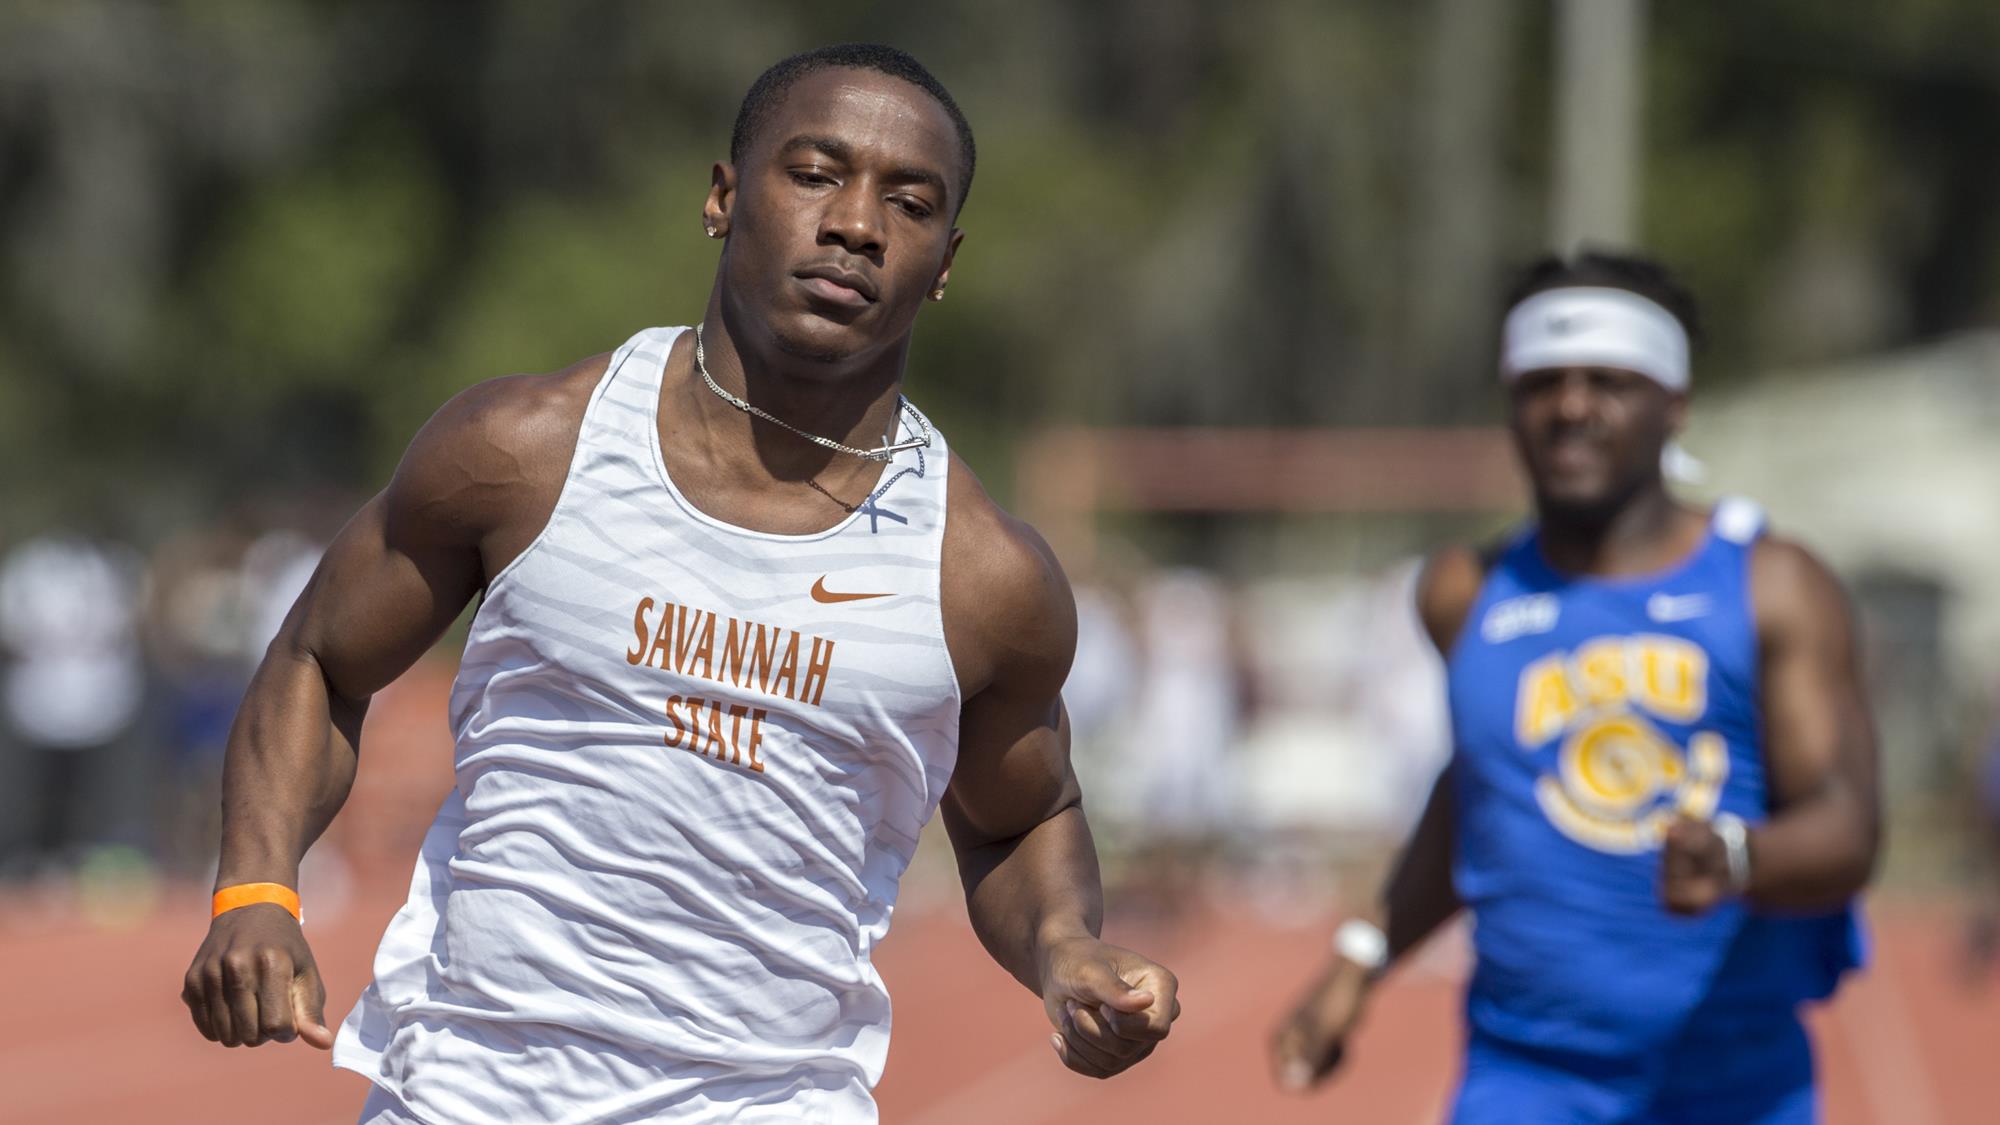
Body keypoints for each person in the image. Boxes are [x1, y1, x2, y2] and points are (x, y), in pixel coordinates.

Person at [182, 43, 1179, 1124]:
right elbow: (319, 657)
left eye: (909, 201)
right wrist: (256, 887)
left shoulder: (981, 578)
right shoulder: (521, 451)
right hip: (466, 1092)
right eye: (813, 173)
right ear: (720, 196)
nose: (855, 223)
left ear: (943, 261)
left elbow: (1021, 816)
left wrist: (1065, 946)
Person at [1269, 250, 1877, 1123]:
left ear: (1676, 404)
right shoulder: (1464, 592)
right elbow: (1477, 785)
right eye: (1541, 381)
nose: (1572, 406)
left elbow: (1849, 823)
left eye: (1610, 380)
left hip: (1735, 1078)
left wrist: (1743, 856)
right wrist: (1358, 960)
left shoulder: (1772, 585)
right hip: (1527, 1073)